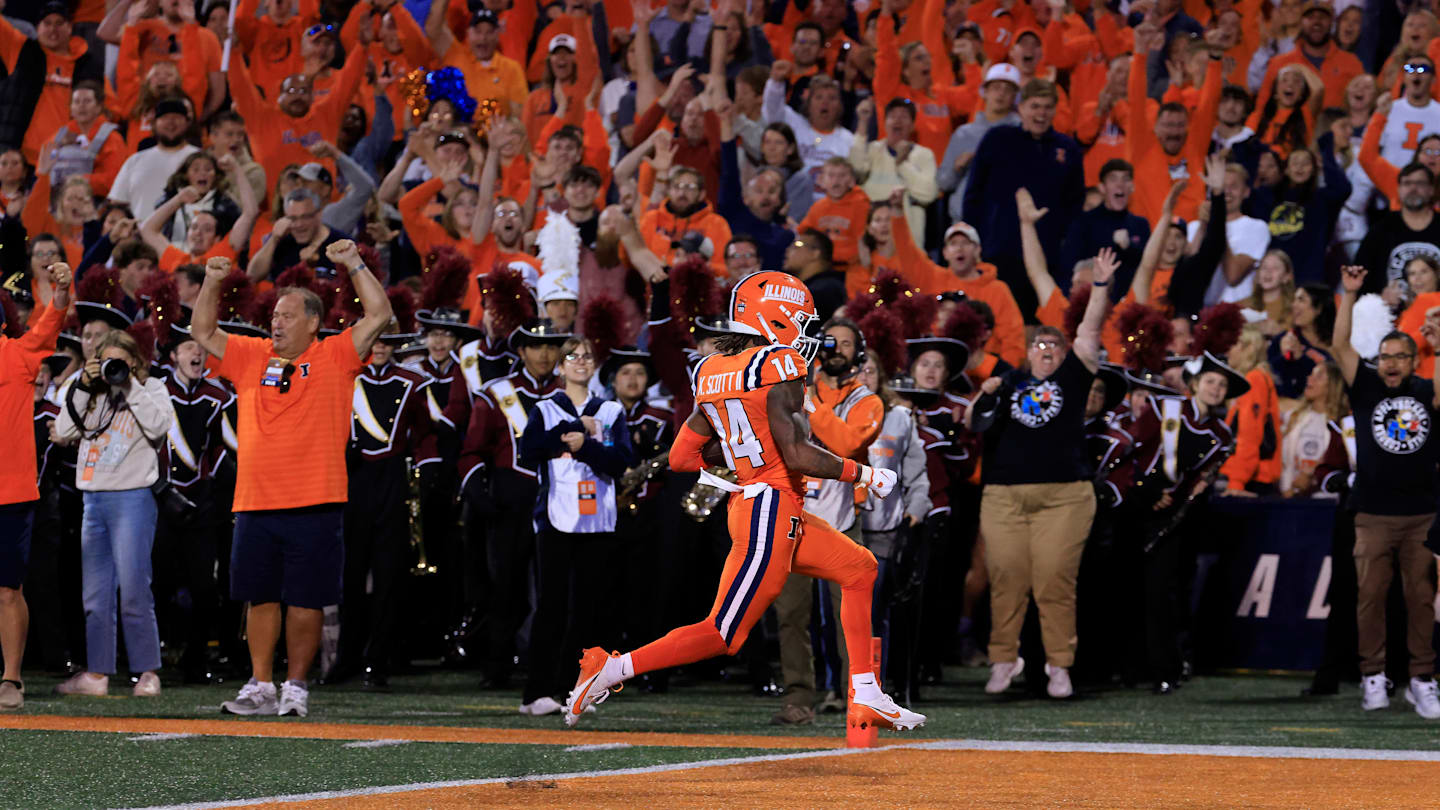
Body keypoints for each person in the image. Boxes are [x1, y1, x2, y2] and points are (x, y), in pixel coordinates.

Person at [561, 271, 923, 733]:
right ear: (777, 319)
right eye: (802, 322)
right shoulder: (780, 366)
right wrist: (864, 473)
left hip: (764, 507)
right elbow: (795, 453)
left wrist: (738, 443)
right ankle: (609, 668)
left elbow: (681, 457)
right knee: (723, 634)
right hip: (769, 509)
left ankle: (866, 693)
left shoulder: (712, 369)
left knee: (859, 568)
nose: (809, 335)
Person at [190, 241, 393, 718]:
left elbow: (379, 313)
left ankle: (296, 686)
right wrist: (211, 282)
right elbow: (201, 329)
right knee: (259, 597)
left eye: (286, 315)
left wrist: (354, 264)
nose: (276, 323)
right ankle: (260, 685)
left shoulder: (336, 354)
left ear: (312, 322)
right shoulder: (249, 355)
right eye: (274, 315)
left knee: (306, 600)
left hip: (315, 500)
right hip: (256, 500)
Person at [966, 247, 1119, 700]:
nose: (1047, 350)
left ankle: (1059, 664)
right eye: (1039, 344)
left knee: (1053, 579)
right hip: (1004, 496)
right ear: (1028, 351)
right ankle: (1003, 658)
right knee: (1007, 576)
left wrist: (1102, 286)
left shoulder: (1073, 378)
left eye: (1055, 345)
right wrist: (988, 391)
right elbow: (974, 423)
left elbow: (1089, 331)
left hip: (1064, 495)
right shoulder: (1008, 381)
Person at [1330, 264, 1440, 720]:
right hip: (1372, 512)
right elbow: (1338, 345)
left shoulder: (1430, 389)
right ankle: (1373, 676)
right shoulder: (1366, 387)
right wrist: (1350, 295)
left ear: (1415, 361)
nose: (1391, 362)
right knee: (1371, 597)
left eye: (1401, 356)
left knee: (1420, 599)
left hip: (1423, 515)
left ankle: (1422, 679)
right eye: (1386, 355)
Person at [53, 329, 176, 698]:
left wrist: (129, 385)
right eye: (107, 361)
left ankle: (147, 671)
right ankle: (98, 673)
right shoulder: (91, 393)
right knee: (95, 595)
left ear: (136, 361)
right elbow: (61, 431)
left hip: (133, 498)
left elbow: (158, 426)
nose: (114, 368)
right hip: (93, 499)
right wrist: (85, 386)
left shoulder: (152, 389)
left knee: (135, 589)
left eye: (121, 361)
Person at [773, 317, 883, 725]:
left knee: (848, 615)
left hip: (841, 520)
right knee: (790, 613)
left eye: (846, 343)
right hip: (793, 517)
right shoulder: (791, 390)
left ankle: (854, 693)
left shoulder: (867, 401)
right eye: (828, 341)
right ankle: (798, 695)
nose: (836, 348)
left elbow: (846, 444)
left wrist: (807, 404)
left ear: (860, 352)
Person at [518, 337, 634, 715]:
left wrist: (585, 445)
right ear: (561, 366)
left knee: (590, 610)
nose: (580, 362)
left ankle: (577, 689)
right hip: (556, 518)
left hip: (598, 520)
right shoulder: (546, 408)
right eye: (572, 356)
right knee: (551, 606)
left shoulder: (612, 410)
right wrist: (571, 429)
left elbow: (621, 463)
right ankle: (536, 692)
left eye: (586, 355)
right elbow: (529, 450)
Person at [1123, 351, 1242, 693]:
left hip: (1174, 517)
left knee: (1163, 593)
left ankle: (1164, 668)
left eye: (1222, 385)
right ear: (1194, 384)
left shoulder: (1221, 434)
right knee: (1129, 588)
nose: (1216, 389)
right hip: (1137, 505)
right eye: (1210, 381)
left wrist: (1176, 500)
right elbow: (1132, 448)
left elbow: (1199, 482)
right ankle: (1128, 667)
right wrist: (1145, 491)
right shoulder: (1165, 409)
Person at [335, 325, 434, 692]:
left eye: (385, 341)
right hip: (352, 480)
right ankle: (345, 659)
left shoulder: (411, 382)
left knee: (389, 577)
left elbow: (424, 432)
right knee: (350, 576)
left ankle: (378, 663)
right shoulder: (344, 378)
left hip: (392, 482)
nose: (378, 348)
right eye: (372, 340)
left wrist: (427, 471)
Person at [0, 261, 70, 712]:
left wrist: (61, 289)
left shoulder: (18, 353)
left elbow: (52, 321)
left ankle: (11, 678)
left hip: (11, 493)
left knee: (7, 590)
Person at [962, 78, 1086, 319]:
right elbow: (973, 195)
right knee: (996, 320)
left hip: (1047, 256)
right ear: (1021, 107)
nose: (1041, 113)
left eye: (1048, 107)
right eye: (1035, 106)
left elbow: (1074, 205)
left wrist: (1063, 248)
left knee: (1039, 323)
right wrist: (976, 242)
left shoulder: (1067, 149)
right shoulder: (997, 139)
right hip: (998, 252)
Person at [154, 318, 235, 684]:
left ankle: (195, 660)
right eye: (189, 347)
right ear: (173, 355)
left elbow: (221, 447)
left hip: (201, 503)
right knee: (158, 583)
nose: (197, 353)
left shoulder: (218, 395)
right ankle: (151, 660)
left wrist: (214, 486)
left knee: (205, 587)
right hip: (159, 501)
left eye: (200, 348)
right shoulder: (155, 392)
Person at [1354, 164, 1440, 295]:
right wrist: (1380, 296)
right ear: (1398, 189)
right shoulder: (1381, 228)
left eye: (1420, 183)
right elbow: (1361, 274)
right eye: (1407, 183)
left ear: (1431, 189)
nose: (1413, 188)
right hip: (1390, 312)